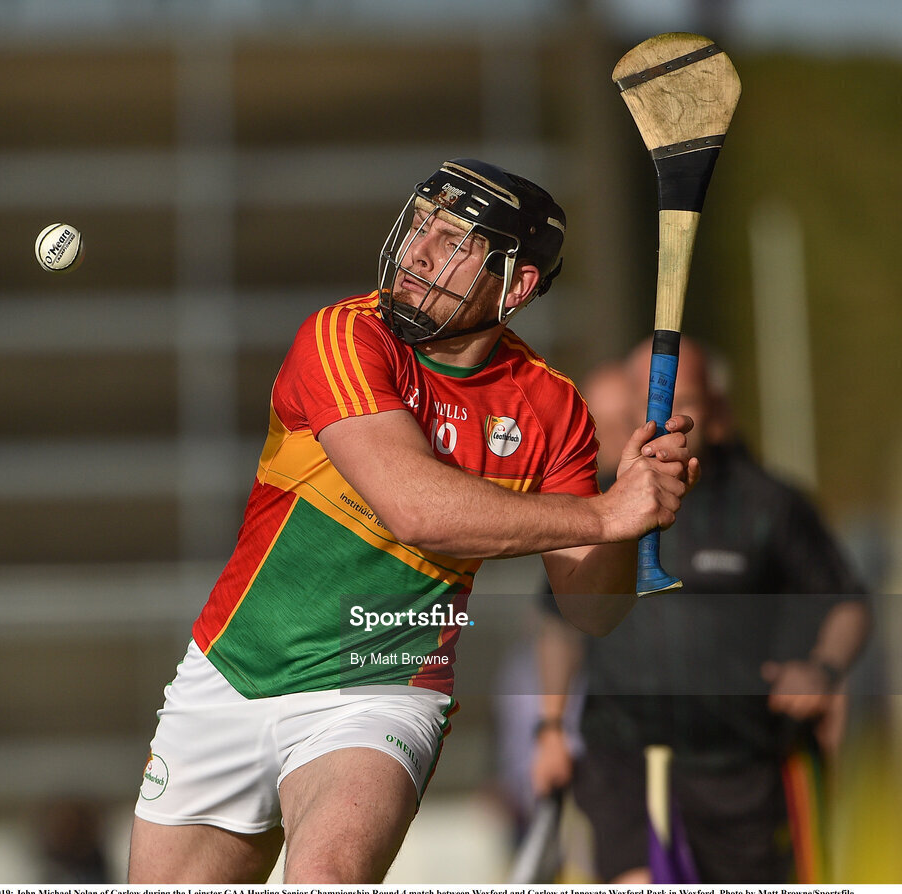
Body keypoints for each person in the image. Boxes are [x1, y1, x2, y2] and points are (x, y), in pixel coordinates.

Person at [126, 158, 700, 884]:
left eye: (456, 241)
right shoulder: (345, 337)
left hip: (383, 686)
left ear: (516, 285)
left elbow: (590, 608)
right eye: (421, 225)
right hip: (231, 675)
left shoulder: (551, 410)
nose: (418, 252)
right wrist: (604, 510)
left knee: (328, 874)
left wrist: (633, 508)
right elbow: (415, 507)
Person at [531, 337, 870, 884]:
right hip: (625, 759)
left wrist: (823, 670)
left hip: (743, 767)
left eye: (681, 397)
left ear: (714, 408)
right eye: (650, 399)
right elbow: (557, 625)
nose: (665, 414)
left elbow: (846, 603)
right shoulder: (595, 503)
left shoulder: (769, 506)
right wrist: (548, 728)